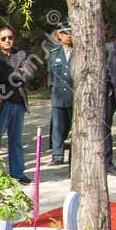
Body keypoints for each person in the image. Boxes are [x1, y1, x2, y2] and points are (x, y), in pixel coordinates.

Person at [0, 26, 35, 183]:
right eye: (3, 38)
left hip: (19, 102)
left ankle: (18, 172)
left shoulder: (21, 53)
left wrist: (19, 73)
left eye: (10, 37)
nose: (7, 40)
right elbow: (3, 75)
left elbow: (30, 73)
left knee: (16, 140)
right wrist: (19, 71)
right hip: (3, 103)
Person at [45, 26, 75, 165]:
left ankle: (74, 154)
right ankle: (57, 155)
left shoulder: (79, 52)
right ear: (60, 36)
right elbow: (51, 75)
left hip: (74, 96)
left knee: (73, 126)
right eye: (65, 33)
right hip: (58, 95)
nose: (68, 36)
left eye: (71, 33)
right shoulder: (54, 53)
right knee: (58, 126)